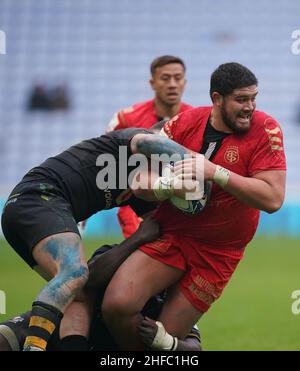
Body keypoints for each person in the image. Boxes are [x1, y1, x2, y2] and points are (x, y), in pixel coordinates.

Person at [101, 62, 287, 350]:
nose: (250, 106)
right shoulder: (184, 123)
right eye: (241, 99)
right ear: (217, 99)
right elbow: (140, 178)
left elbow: (273, 199)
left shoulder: (266, 128)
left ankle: (175, 348)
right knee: (116, 306)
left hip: (218, 253)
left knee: (162, 339)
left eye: (253, 98)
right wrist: (168, 186)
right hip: (172, 235)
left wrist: (215, 173)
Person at [1, 124, 199, 351]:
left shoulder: (138, 186)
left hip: (22, 211)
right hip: (40, 197)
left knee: (78, 291)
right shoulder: (130, 142)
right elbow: (150, 142)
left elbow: (160, 224)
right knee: (74, 272)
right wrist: (199, 163)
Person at [0, 218, 201, 351]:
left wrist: (166, 340)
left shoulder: (173, 285)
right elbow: (91, 278)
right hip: (64, 328)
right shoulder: (116, 254)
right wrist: (136, 240)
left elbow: (194, 346)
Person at [107, 55, 193, 238]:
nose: (172, 84)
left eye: (177, 78)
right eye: (165, 78)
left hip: (178, 202)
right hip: (136, 202)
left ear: (184, 82)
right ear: (152, 83)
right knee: (139, 253)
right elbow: (105, 161)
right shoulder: (126, 119)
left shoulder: (196, 121)